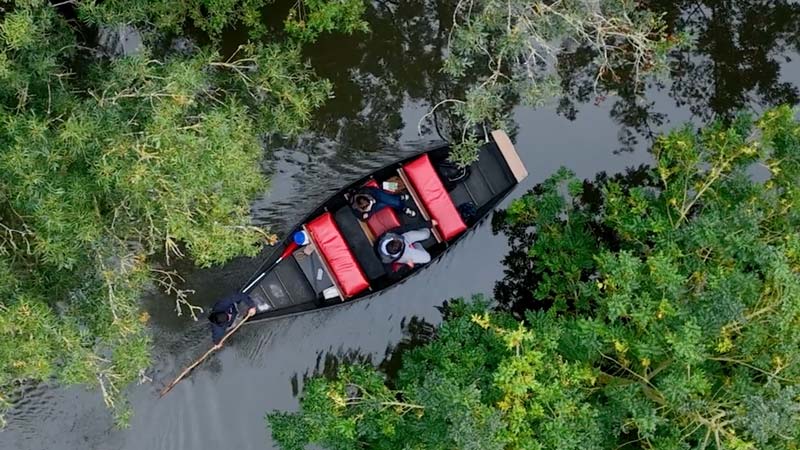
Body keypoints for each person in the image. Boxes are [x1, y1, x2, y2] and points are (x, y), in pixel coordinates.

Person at [349, 186, 416, 220]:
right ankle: (400, 200)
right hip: (373, 207)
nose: (365, 203)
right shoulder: (359, 212)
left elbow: (370, 190)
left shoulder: (362, 193)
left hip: (374, 193)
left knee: (384, 199)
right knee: (383, 203)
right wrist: (371, 204)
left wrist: (371, 200)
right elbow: (365, 218)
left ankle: (401, 205)